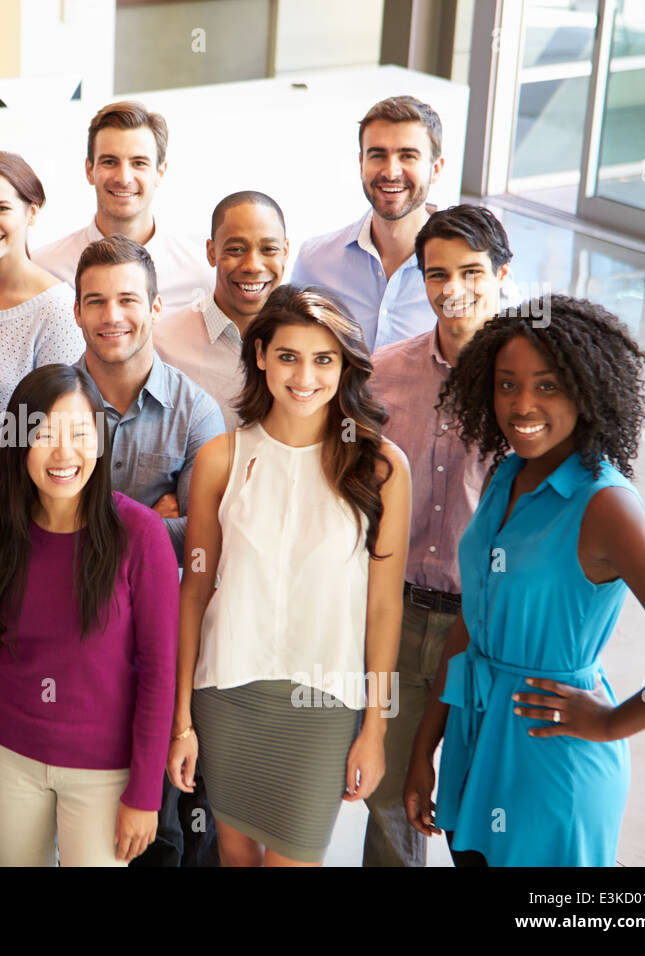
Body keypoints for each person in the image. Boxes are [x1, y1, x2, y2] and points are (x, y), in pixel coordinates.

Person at [404, 296, 645, 867]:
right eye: (506, 384)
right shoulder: (506, 473)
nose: (522, 405)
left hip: (551, 762)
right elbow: (469, 624)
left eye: (547, 386)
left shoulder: (606, 506)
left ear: (586, 393)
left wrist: (613, 722)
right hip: (477, 741)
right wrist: (425, 747)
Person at [169, 284, 411, 866]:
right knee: (235, 856)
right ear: (260, 357)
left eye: (323, 359)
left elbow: (384, 609)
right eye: (288, 357)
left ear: (344, 365)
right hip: (225, 693)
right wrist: (181, 719)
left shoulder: (381, 467)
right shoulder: (222, 459)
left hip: (322, 706)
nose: (305, 376)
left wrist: (374, 728)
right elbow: (196, 589)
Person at [0, 364, 178, 866]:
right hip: (8, 755)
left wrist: (145, 793)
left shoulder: (140, 534)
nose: (63, 453)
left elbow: (161, 676)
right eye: (43, 435)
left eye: (79, 434)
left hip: (105, 770)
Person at [361, 204, 512, 867]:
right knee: (389, 799)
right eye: (436, 273)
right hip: (396, 614)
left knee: (479, 809)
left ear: (503, 274)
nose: (453, 288)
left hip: (486, 625)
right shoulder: (383, 372)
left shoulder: (528, 386)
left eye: (473, 272)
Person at [69, 234, 222, 867]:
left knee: (162, 832)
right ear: (76, 311)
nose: (112, 316)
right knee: (72, 822)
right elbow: (32, 528)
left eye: (128, 299)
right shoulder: (47, 400)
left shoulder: (196, 410)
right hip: (67, 644)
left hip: (162, 647)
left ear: (156, 307)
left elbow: (207, 548)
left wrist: (96, 520)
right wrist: (158, 519)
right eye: (95, 301)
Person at [0, 151, 83, 455]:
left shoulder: (57, 310)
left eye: (1, 208)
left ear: (32, 213)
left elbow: (60, 428)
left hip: (11, 491)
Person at [290, 96, 445, 351]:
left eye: (408, 156)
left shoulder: (470, 275)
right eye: (378, 155)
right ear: (361, 163)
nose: (391, 171)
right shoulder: (313, 262)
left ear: (436, 168)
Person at [33, 101, 212, 315]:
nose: (123, 178)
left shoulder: (203, 272)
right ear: (89, 170)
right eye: (110, 162)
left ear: (160, 172)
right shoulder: (44, 271)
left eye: (139, 163)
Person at [156, 190, 290, 430]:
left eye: (268, 249)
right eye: (236, 249)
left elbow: (346, 426)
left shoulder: (312, 341)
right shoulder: (161, 346)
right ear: (211, 252)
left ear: (285, 252)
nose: (252, 266)